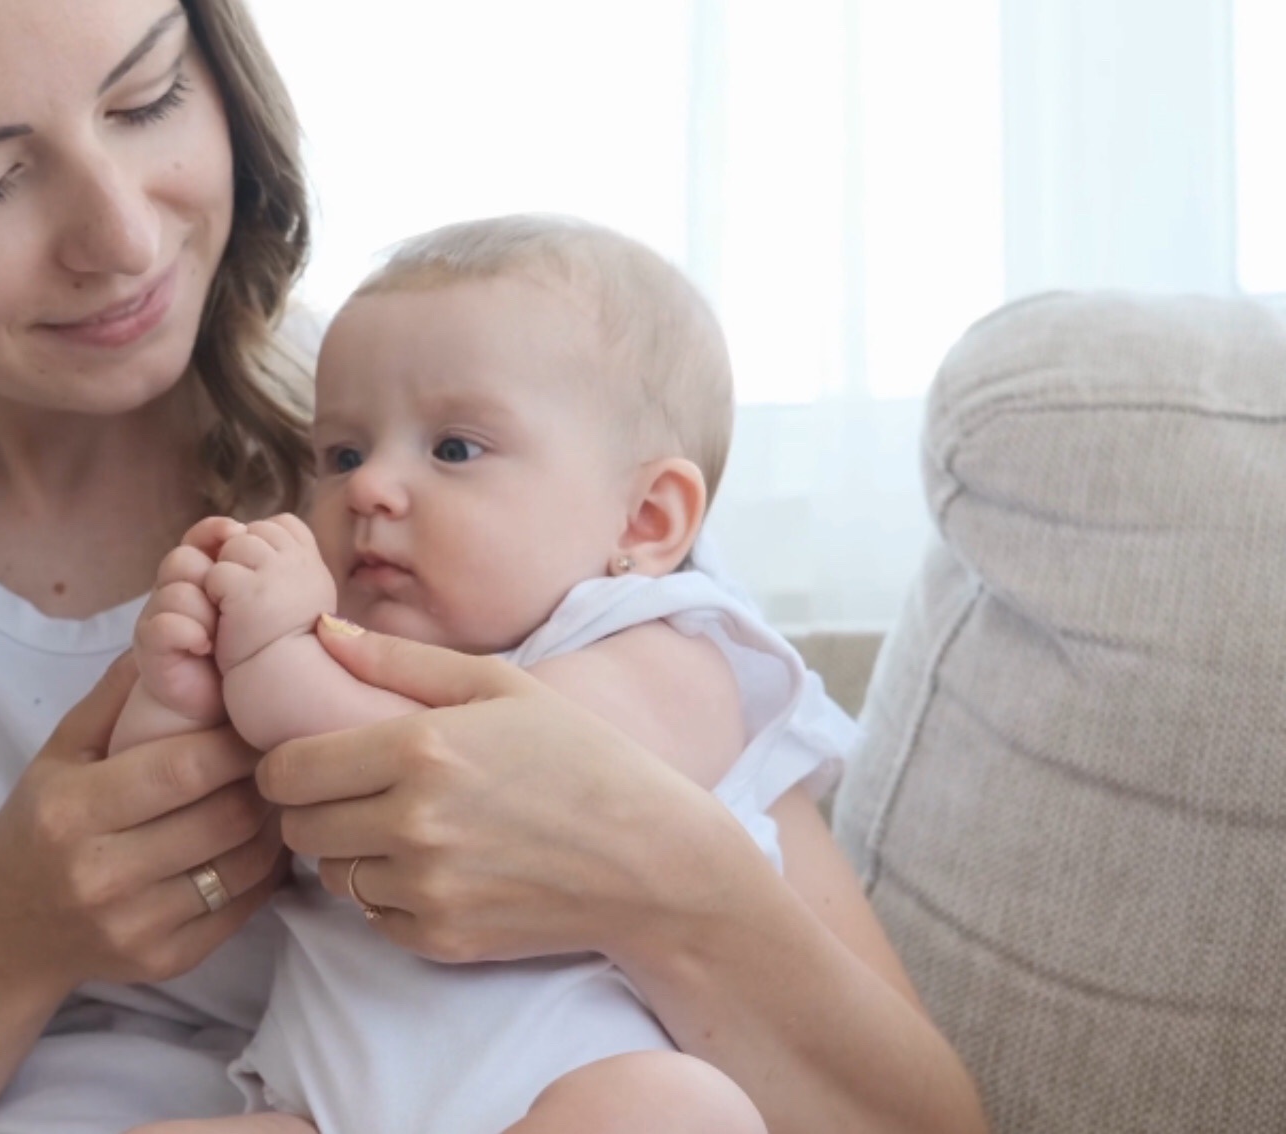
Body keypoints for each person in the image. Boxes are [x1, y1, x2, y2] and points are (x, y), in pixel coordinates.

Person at [0, 1, 989, 1131]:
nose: (121, 240)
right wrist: (4, 938)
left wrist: (659, 879)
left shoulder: (460, 456)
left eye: (146, 101)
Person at [114, 214, 820, 1133]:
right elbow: (179, 835)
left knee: (677, 1113)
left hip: (566, 1097)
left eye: (453, 448)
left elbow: (483, 762)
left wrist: (273, 663)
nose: (370, 489)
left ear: (645, 520)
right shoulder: (329, 648)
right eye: (342, 455)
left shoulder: (673, 647)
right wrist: (177, 693)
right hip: (321, 1110)